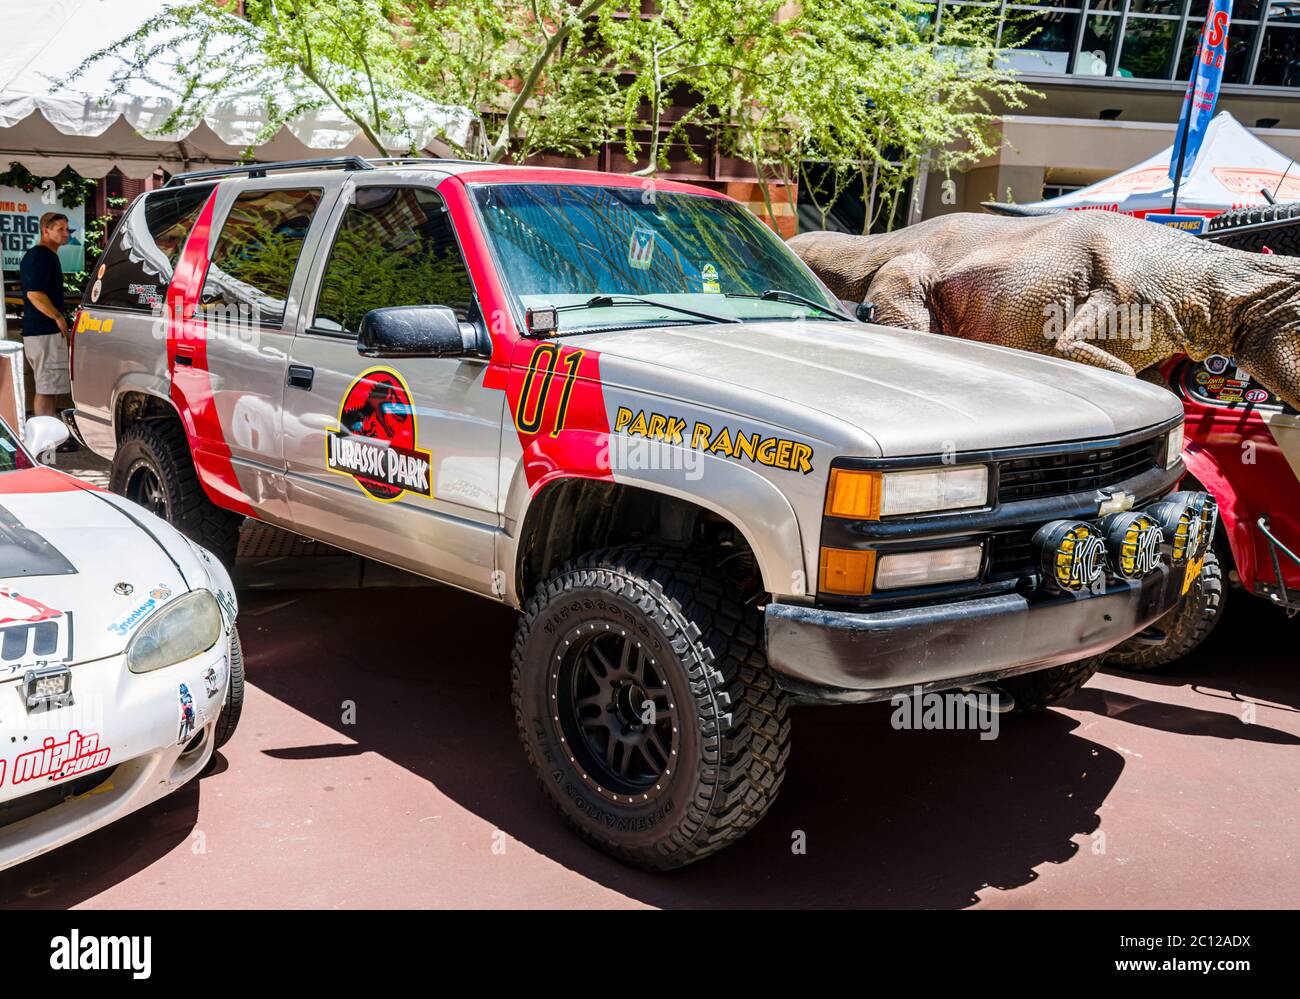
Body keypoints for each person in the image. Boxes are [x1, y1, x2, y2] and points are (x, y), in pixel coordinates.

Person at [19, 212, 76, 438]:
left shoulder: (45, 255)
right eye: (60, 229)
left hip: (41, 332)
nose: (65, 234)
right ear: (46, 230)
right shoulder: (41, 255)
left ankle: (48, 437)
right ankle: (44, 439)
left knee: (48, 387)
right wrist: (57, 316)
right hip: (43, 331)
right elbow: (34, 294)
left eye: (66, 229)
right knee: (45, 387)